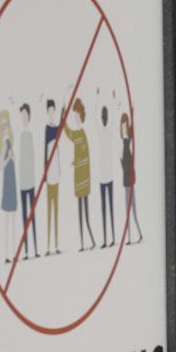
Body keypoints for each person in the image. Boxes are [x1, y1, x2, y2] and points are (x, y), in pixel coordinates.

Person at [69, 99, 95, 250]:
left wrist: (76, 162)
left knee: (84, 213)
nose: (74, 118)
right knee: (82, 212)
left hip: (83, 180)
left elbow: (84, 158)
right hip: (80, 179)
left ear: (80, 115)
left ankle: (88, 241)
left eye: (75, 115)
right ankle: (85, 242)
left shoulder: (81, 134)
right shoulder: (80, 134)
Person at [17, 103, 40, 260]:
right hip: (22, 182)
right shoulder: (20, 133)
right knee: (24, 216)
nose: (23, 117)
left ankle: (36, 248)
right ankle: (26, 250)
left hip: (30, 180)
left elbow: (32, 156)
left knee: (32, 215)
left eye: (25, 114)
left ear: (29, 116)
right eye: (21, 115)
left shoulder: (30, 133)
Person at [43, 99, 64, 254]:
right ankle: (49, 245)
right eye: (49, 111)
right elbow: (46, 151)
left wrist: (64, 102)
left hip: (56, 172)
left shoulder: (56, 128)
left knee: (56, 209)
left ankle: (56, 245)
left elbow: (62, 124)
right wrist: (45, 174)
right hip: (49, 174)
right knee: (49, 210)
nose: (51, 113)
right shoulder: (47, 129)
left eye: (53, 111)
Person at [0, 109, 18, 258]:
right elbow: (0, 167)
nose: (6, 128)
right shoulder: (4, 144)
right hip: (7, 181)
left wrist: (13, 157)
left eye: (7, 125)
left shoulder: (9, 142)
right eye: (3, 126)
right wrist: (8, 158)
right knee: (7, 218)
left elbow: (14, 160)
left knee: (13, 218)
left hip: (12, 180)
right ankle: (6, 253)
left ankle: (14, 251)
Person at [120, 110, 143, 244]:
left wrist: (132, 115)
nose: (123, 128)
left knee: (133, 209)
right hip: (125, 179)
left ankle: (139, 233)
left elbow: (132, 130)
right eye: (122, 125)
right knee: (127, 210)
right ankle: (129, 237)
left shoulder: (128, 143)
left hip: (130, 178)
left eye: (125, 125)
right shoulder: (122, 144)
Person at [97, 104, 117, 248]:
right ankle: (106, 239)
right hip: (103, 176)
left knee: (108, 209)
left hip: (108, 175)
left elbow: (114, 119)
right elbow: (94, 118)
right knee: (106, 209)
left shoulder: (108, 130)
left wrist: (114, 100)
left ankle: (112, 238)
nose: (104, 117)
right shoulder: (103, 131)